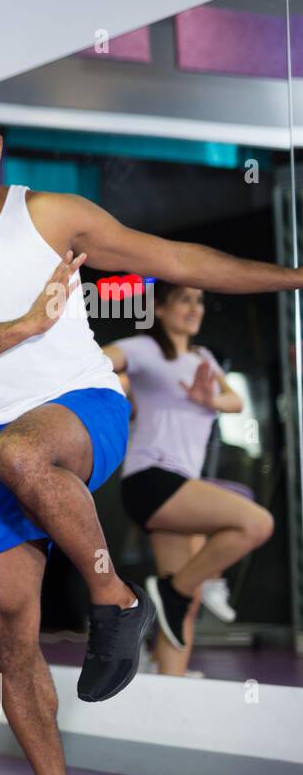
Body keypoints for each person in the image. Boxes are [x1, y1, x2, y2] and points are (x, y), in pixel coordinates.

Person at [0, 88, 293, 775]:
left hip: (78, 406)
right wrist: (25, 324)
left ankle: (117, 598)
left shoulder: (51, 215)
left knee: (23, 452)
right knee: (7, 626)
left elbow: (175, 259)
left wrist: (295, 279)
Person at [103, 283, 272, 676]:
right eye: (184, 300)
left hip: (178, 488)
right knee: (256, 523)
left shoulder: (203, 358)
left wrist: (207, 401)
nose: (194, 308)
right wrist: (116, 387)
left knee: (185, 606)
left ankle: (169, 683)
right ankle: (173, 590)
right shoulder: (145, 350)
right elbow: (100, 360)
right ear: (160, 309)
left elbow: (236, 401)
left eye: (199, 301)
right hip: (152, 480)